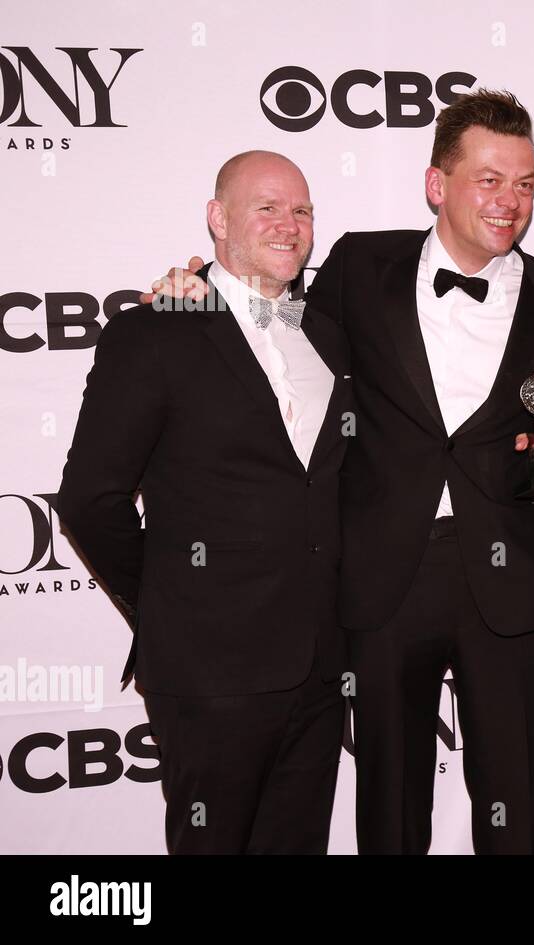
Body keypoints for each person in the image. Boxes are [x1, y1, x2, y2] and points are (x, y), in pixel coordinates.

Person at [144, 90, 534, 855]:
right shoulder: (357, 264)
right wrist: (194, 292)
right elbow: (270, 330)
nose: (509, 200)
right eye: (488, 179)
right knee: (388, 807)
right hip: (385, 576)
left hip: (511, 581)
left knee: (517, 810)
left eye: (524, 184)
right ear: (436, 185)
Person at [59, 151, 350, 853]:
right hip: (210, 669)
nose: (290, 225)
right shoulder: (154, 332)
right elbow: (90, 500)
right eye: (268, 208)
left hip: (318, 664)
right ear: (218, 219)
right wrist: (169, 605)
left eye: (303, 210)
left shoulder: (328, 334)